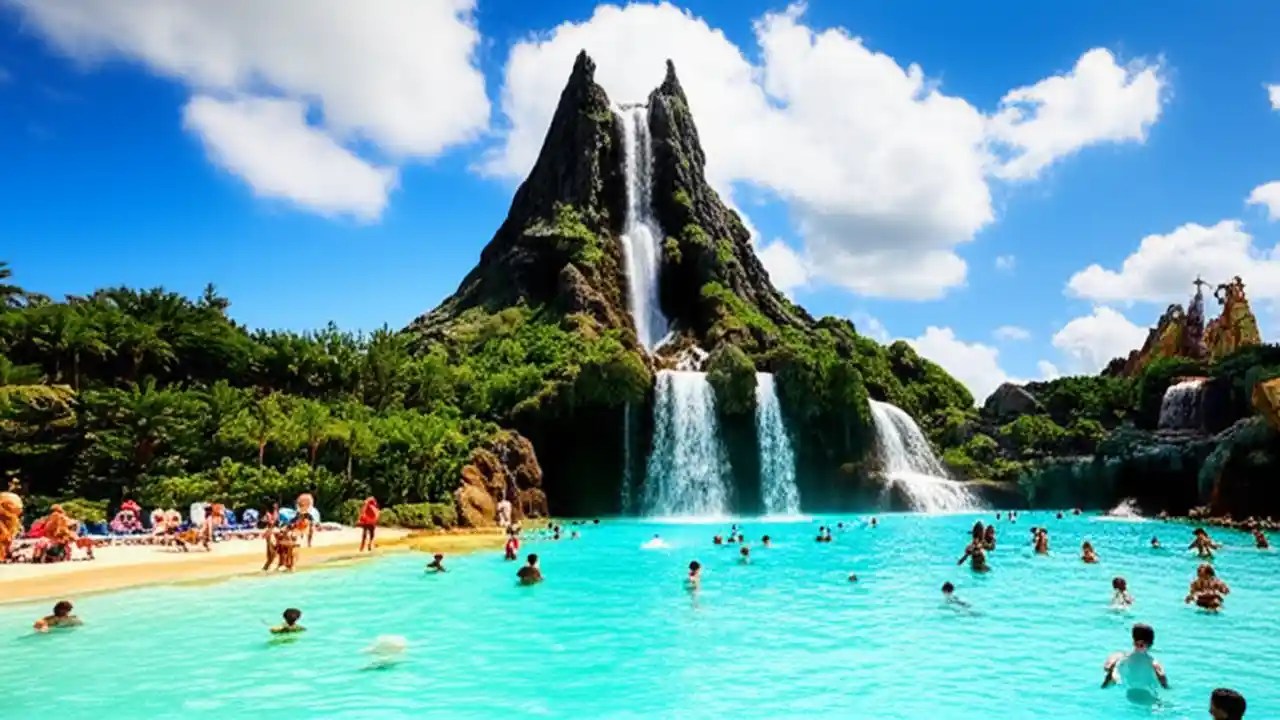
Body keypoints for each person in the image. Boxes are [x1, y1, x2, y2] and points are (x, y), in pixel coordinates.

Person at [1102, 624, 1168, 703]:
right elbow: (1163, 683)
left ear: (1133, 640)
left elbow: (1107, 668)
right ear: (1151, 644)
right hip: (1147, 696)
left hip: (1129, 696)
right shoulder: (1154, 663)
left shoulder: (1119, 657)